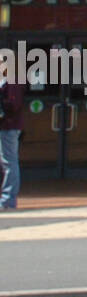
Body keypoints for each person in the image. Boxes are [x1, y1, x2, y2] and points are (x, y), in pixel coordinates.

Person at [0, 75, 22, 210]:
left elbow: (14, 105)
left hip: (9, 126)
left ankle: (8, 200)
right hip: (4, 126)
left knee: (9, 162)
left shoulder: (13, 81)